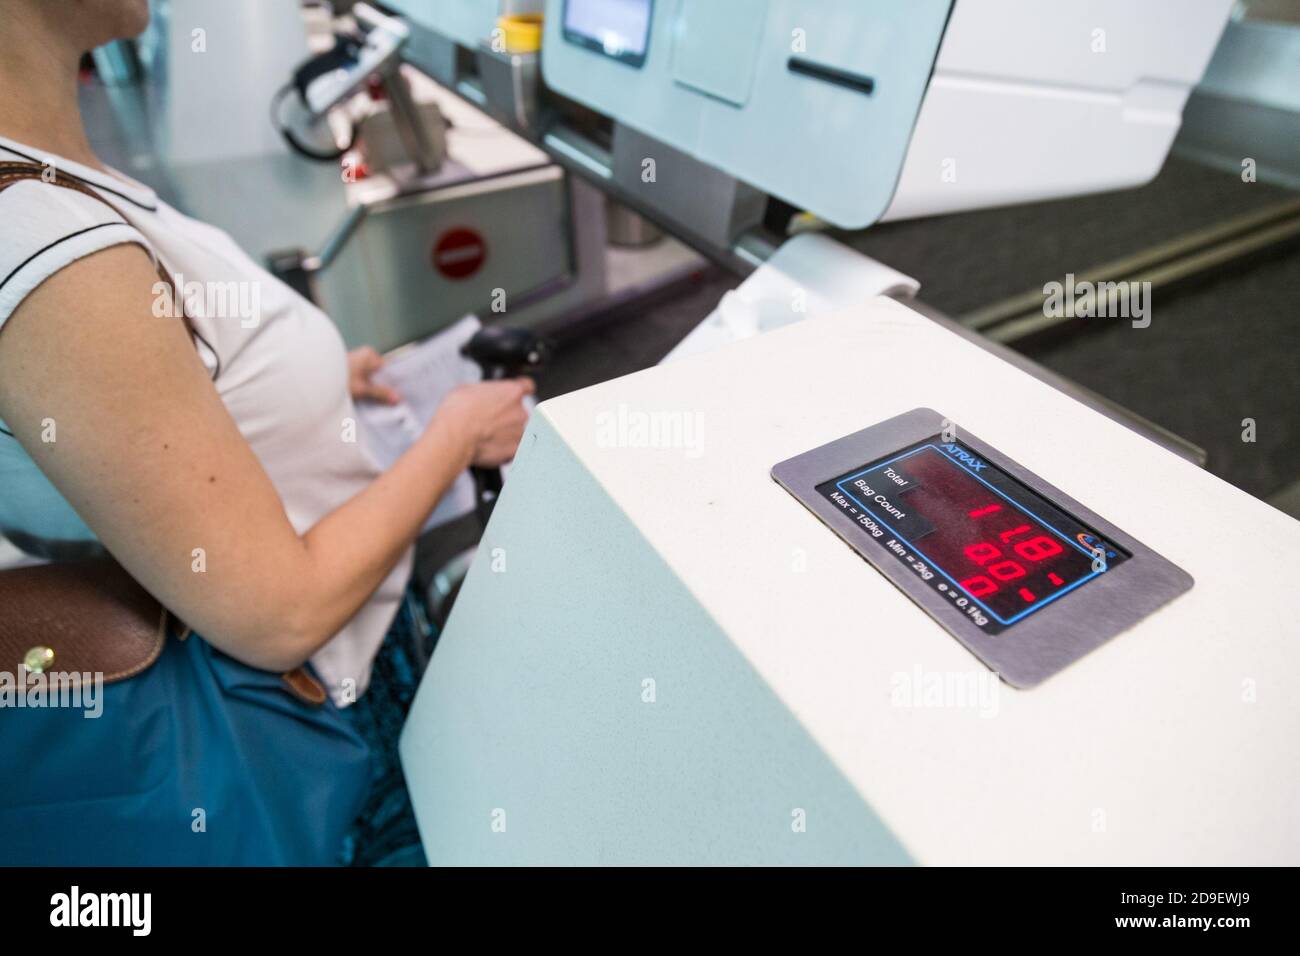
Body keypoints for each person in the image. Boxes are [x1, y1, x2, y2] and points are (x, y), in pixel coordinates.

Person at [0, 0, 533, 864]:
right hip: (307, 716)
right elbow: (280, 614)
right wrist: (453, 438)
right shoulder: (38, 239)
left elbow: (145, 401)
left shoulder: (50, 173)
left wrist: (311, 379)